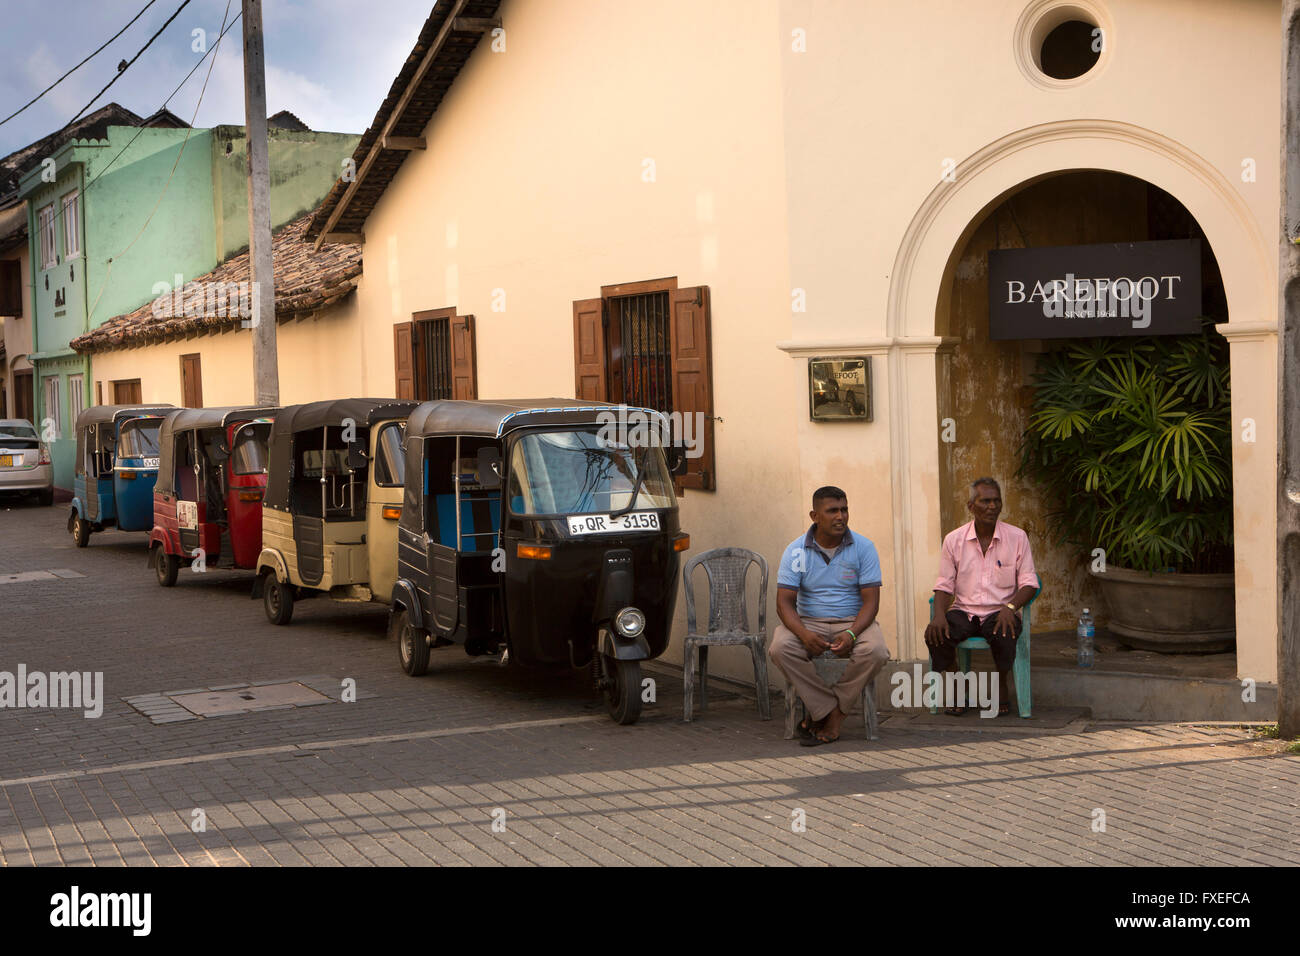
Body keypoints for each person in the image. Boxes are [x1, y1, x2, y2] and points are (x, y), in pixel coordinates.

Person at [770, 486, 890, 745]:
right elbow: (784, 603)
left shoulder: (863, 547)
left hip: (852, 621)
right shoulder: (796, 551)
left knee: (877, 650)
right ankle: (826, 708)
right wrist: (802, 633)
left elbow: (871, 602)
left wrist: (851, 632)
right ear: (815, 516)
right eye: (832, 511)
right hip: (809, 622)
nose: (841, 516)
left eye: (844, 510)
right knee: (780, 647)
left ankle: (834, 714)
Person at [925, 477, 1039, 716]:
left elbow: (1029, 584)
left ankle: (1000, 684)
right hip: (964, 611)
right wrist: (938, 614)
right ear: (971, 506)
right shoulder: (954, 540)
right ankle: (958, 683)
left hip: (1000, 611)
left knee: (1005, 632)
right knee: (936, 634)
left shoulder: (1017, 538)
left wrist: (1010, 607)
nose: (992, 506)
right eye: (985, 501)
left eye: (997, 501)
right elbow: (945, 584)